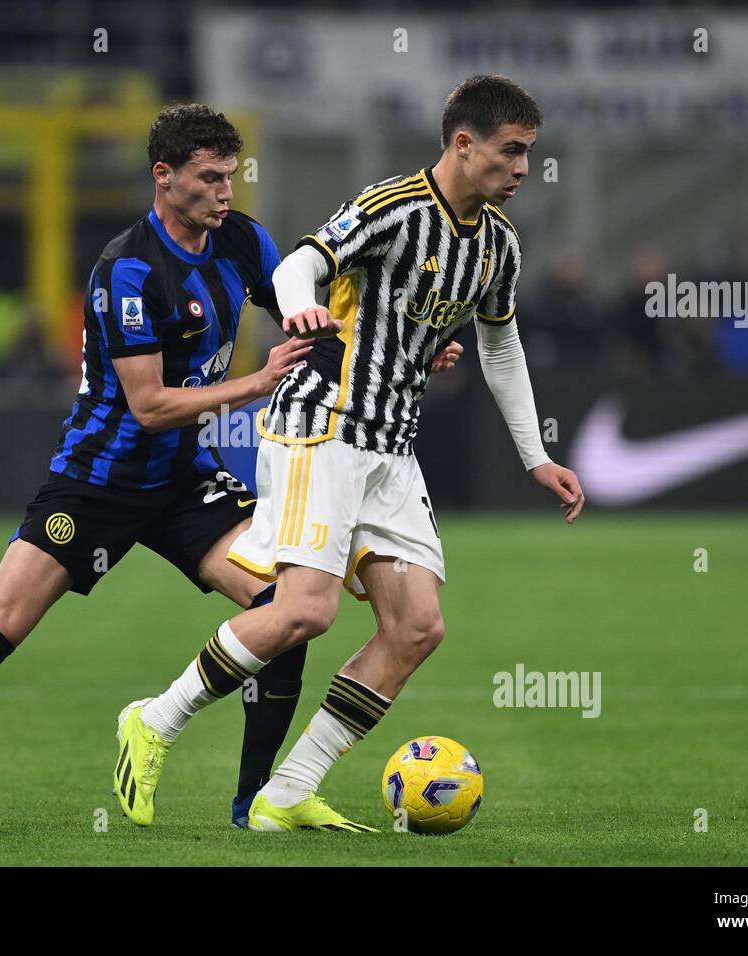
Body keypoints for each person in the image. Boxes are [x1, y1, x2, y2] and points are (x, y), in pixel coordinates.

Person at [0, 104, 325, 828]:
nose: (225, 193)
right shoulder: (126, 270)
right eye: (210, 178)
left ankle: (251, 806)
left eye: (231, 177)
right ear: (164, 175)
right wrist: (254, 383)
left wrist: (394, 354)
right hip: (97, 484)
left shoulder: (241, 240)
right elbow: (148, 406)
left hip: (184, 481)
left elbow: (307, 321)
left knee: (286, 612)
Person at [112, 75, 585, 832]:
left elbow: (501, 346)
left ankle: (286, 792)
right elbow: (303, 261)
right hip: (321, 427)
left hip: (392, 448)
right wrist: (300, 301)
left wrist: (535, 456)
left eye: (530, 152)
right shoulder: (391, 208)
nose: (525, 167)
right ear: (464, 145)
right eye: (513, 150)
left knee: (417, 627)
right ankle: (153, 721)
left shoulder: (498, 245)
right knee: (305, 611)